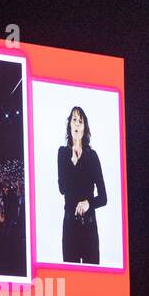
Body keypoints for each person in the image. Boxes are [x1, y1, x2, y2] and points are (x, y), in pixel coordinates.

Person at [56, 106, 107, 264]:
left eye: (80, 121)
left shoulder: (92, 156)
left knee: (92, 280)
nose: (77, 124)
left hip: (89, 228)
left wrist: (88, 203)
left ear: (85, 128)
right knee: (71, 280)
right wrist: (73, 162)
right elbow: (63, 188)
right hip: (70, 226)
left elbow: (104, 198)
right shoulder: (63, 153)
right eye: (74, 120)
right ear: (69, 125)